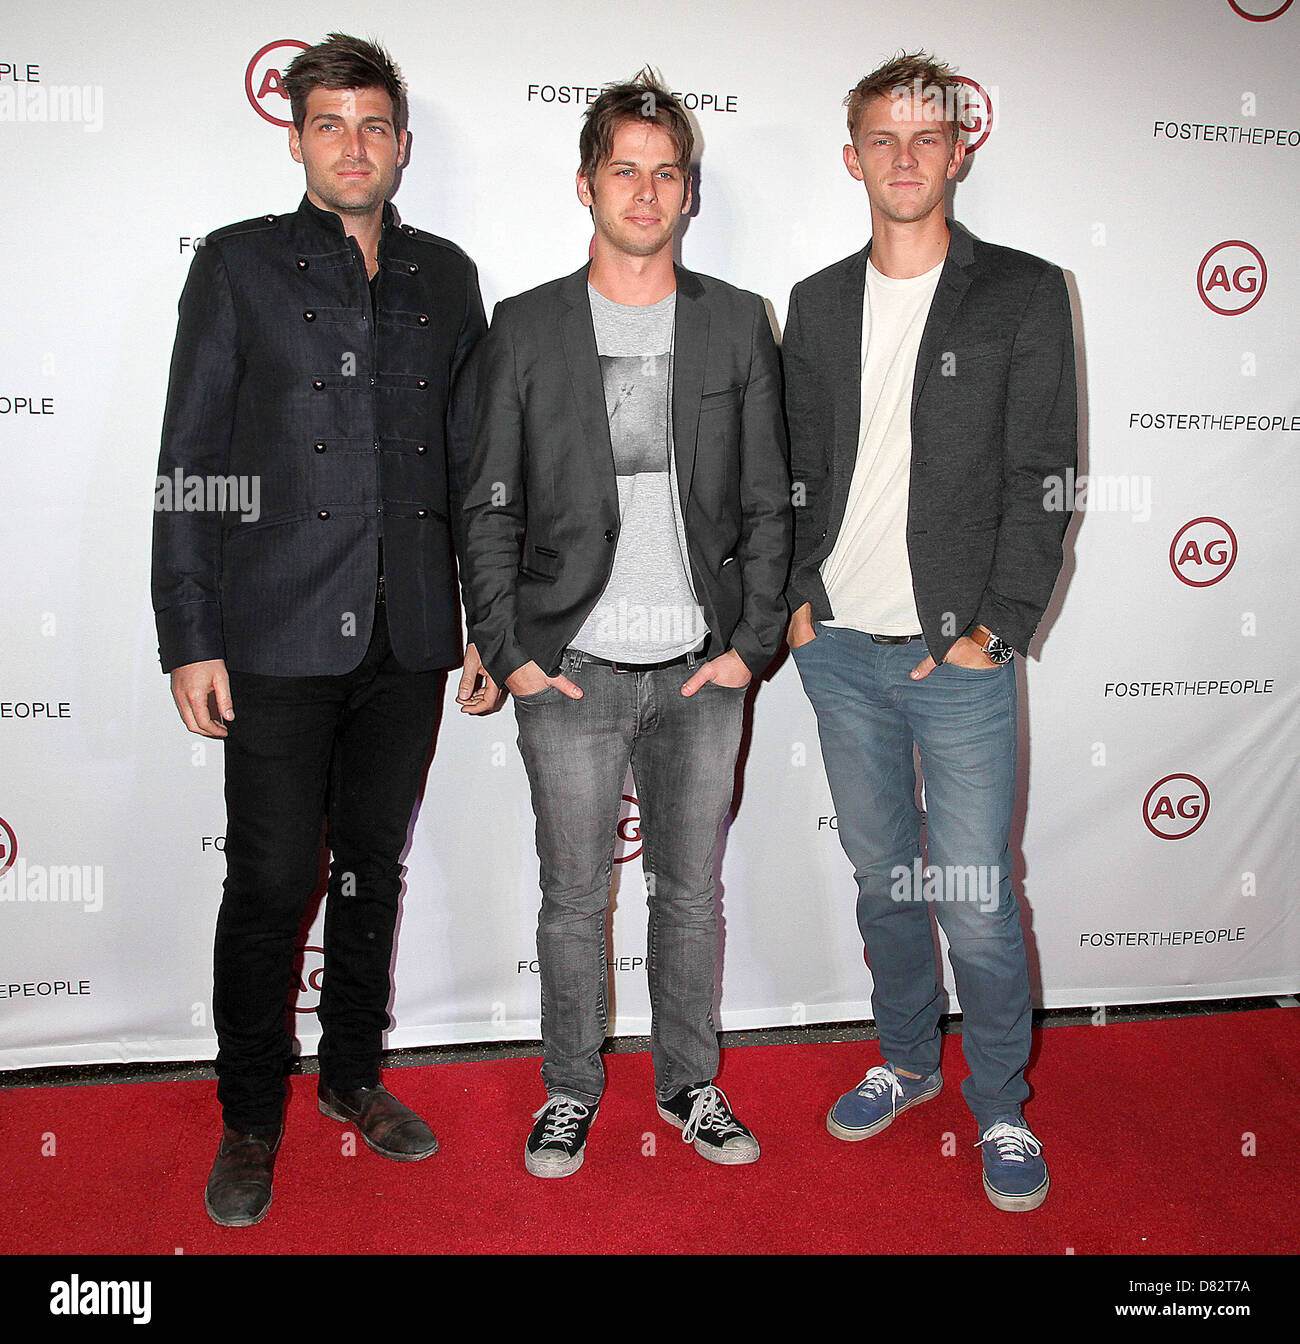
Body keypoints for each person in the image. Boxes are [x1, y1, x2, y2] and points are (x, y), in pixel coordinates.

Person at [151, 33, 486, 1226]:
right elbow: (189, 459)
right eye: (331, 124)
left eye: (376, 125)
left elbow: (470, 460)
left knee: (370, 868)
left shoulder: (446, 276)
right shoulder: (239, 266)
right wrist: (189, 632)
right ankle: (251, 1114)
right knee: (273, 877)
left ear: (401, 143)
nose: (356, 145)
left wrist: (483, 618)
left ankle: (352, 1077)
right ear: (298, 139)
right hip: (277, 636)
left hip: (408, 637)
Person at [460, 69, 790, 1177]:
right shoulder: (525, 327)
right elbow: (486, 501)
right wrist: (508, 650)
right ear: (586, 185)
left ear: (687, 192)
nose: (643, 193)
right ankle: (568, 1089)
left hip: (699, 670)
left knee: (689, 898)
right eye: (624, 171)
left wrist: (751, 646)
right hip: (572, 672)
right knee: (572, 901)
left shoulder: (739, 323)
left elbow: (766, 496)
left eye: (664, 174)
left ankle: (691, 1086)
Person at [783, 51, 1076, 1211]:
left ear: (960, 149)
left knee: (976, 899)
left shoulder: (1022, 291)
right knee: (881, 882)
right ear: (852, 158)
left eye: (927, 137)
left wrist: (997, 632)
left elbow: (1045, 472)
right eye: (882, 140)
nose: (905, 159)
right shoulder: (811, 302)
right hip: (839, 650)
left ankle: (999, 1104)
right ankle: (908, 1060)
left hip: (956, 658)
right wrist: (797, 604)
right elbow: (792, 470)